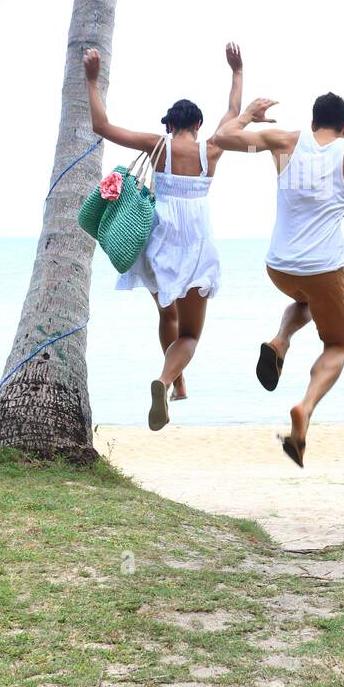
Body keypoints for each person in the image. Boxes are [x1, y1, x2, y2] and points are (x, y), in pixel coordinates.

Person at [215, 91, 344, 466]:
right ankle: (305, 410)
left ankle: (280, 341)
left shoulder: (284, 141)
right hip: (323, 271)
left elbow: (222, 139)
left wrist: (247, 114)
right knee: (337, 346)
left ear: (312, 123)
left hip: (279, 267)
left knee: (305, 301)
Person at [83, 43, 244, 430]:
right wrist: (237, 72)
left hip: (160, 242)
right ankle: (167, 379)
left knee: (165, 314)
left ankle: (176, 382)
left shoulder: (159, 146)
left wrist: (92, 80)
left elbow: (102, 127)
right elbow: (235, 113)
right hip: (198, 245)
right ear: (198, 126)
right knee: (189, 335)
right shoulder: (213, 148)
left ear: (169, 126)